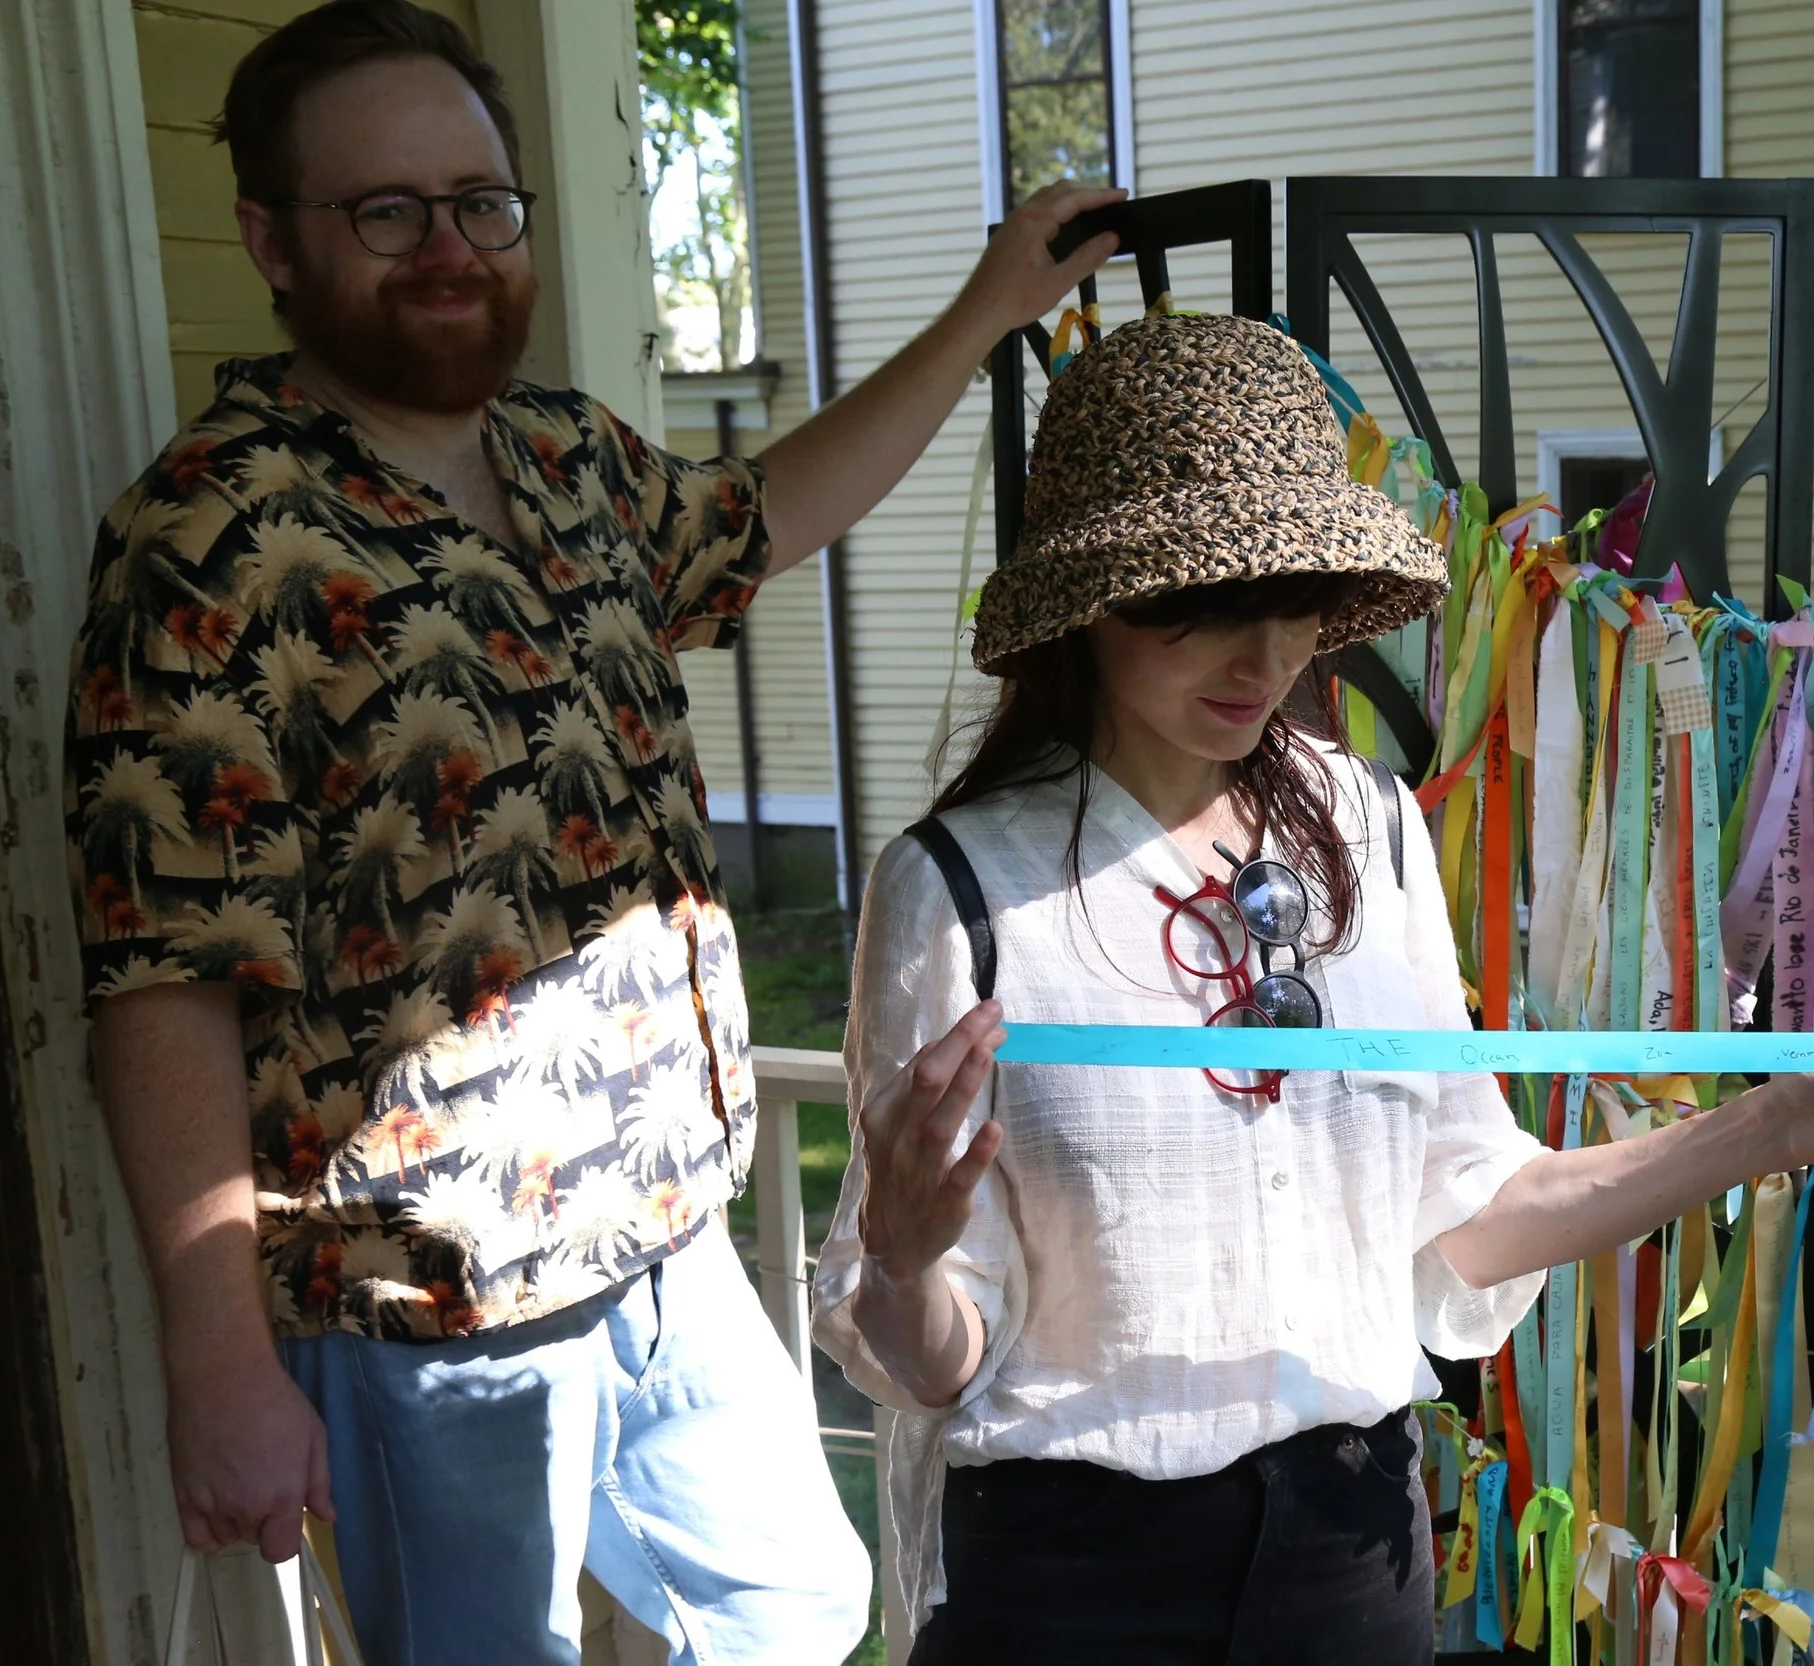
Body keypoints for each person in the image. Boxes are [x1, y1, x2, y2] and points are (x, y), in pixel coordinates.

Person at [59, 2, 1122, 1660]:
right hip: (440, 1313)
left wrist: (994, 305)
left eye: (482, 203)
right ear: (270, 240)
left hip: (668, 1240)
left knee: (794, 1600)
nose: (450, 248)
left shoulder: (565, 457)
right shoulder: (212, 536)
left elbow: (768, 517)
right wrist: (216, 1367)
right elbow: (161, 979)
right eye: (386, 211)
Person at [812, 312, 1814, 1664]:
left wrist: (1777, 1128)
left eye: (1297, 598)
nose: (1266, 655)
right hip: (1077, 1588)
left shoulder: (1372, 829)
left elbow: (1474, 1212)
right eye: (1211, 598)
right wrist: (909, 1250)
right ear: (1091, 597)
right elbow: (930, 1359)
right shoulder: (961, 887)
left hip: (1355, 1559)